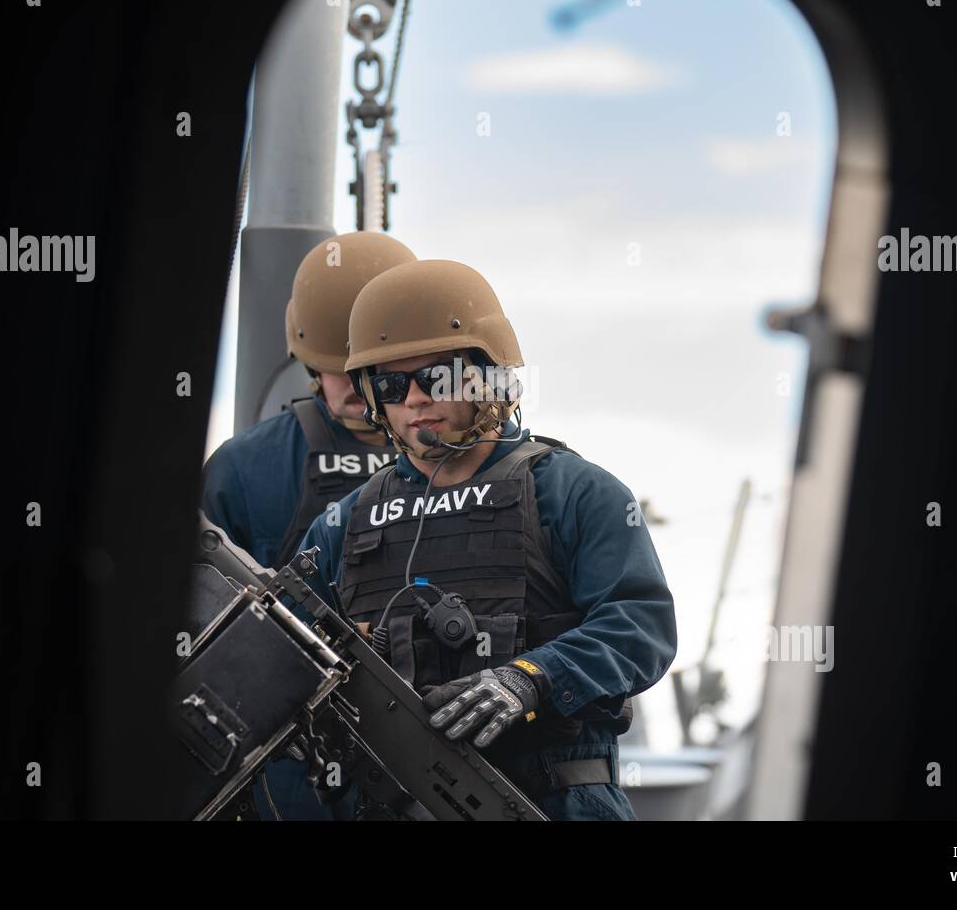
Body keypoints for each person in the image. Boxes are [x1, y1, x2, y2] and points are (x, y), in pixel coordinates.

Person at [295, 258, 678, 820]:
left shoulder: (572, 492)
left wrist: (533, 679)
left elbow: (640, 625)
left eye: (437, 377)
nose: (416, 399)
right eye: (393, 384)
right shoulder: (347, 521)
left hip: (553, 799)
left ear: (489, 375)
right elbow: (289, 652)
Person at [200, 230, 414, 820]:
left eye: (367, 363)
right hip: (296, 776)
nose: (349, 384)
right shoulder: (243, 472)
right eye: (329, 367)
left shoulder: (485, 467)